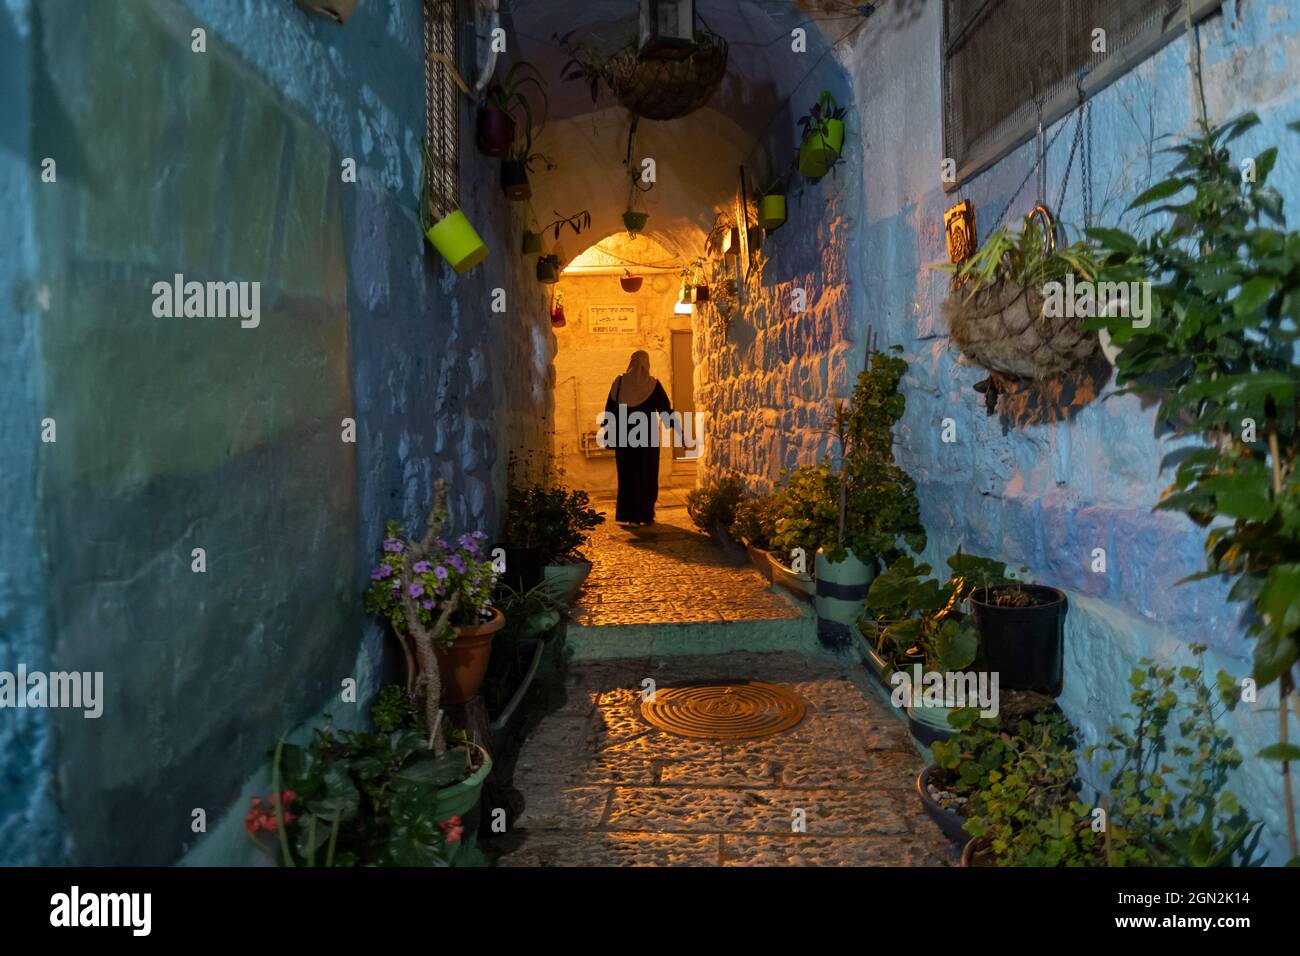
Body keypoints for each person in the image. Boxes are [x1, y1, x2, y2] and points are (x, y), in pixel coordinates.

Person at [605, 350, 673, 525]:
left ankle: (627, 514)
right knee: (647, 474)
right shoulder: (653, 384)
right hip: (647, 437)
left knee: (627, 475)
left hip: (624, 437)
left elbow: (609, 410)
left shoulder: (619, 383)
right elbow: (665, 409)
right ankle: (645, 514)